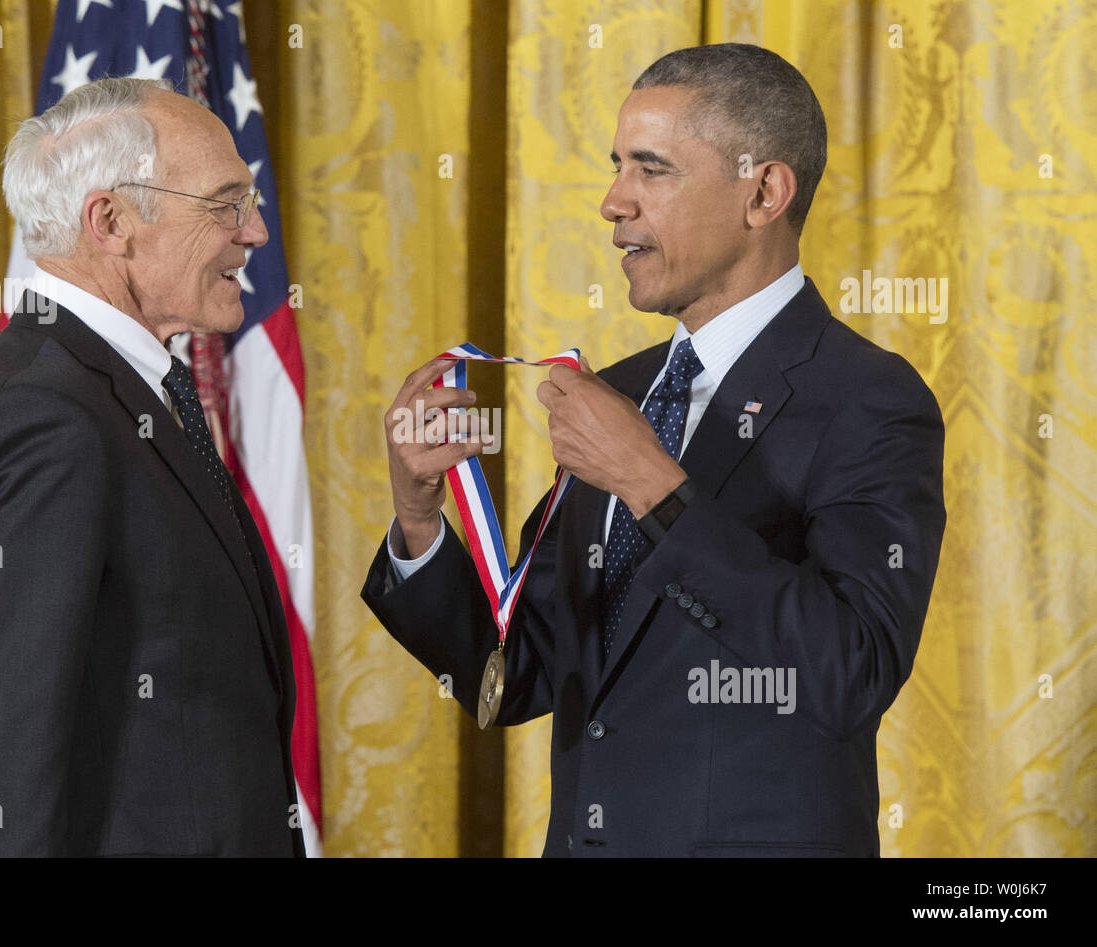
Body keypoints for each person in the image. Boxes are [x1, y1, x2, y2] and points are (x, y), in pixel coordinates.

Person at [363, 43, 946, 857]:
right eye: (615, 167)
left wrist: (653, 484)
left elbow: (849, 673)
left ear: (763, 192)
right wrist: (419, 519)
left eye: (652, 169)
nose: (611, 201)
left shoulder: (870, 399)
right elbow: (522, 669)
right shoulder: (626, 391)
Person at [0, 77, 302, 856]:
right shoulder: (44, 422)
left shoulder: (131, 387)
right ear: (111, 222)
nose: (257, 231)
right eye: (225, 203)